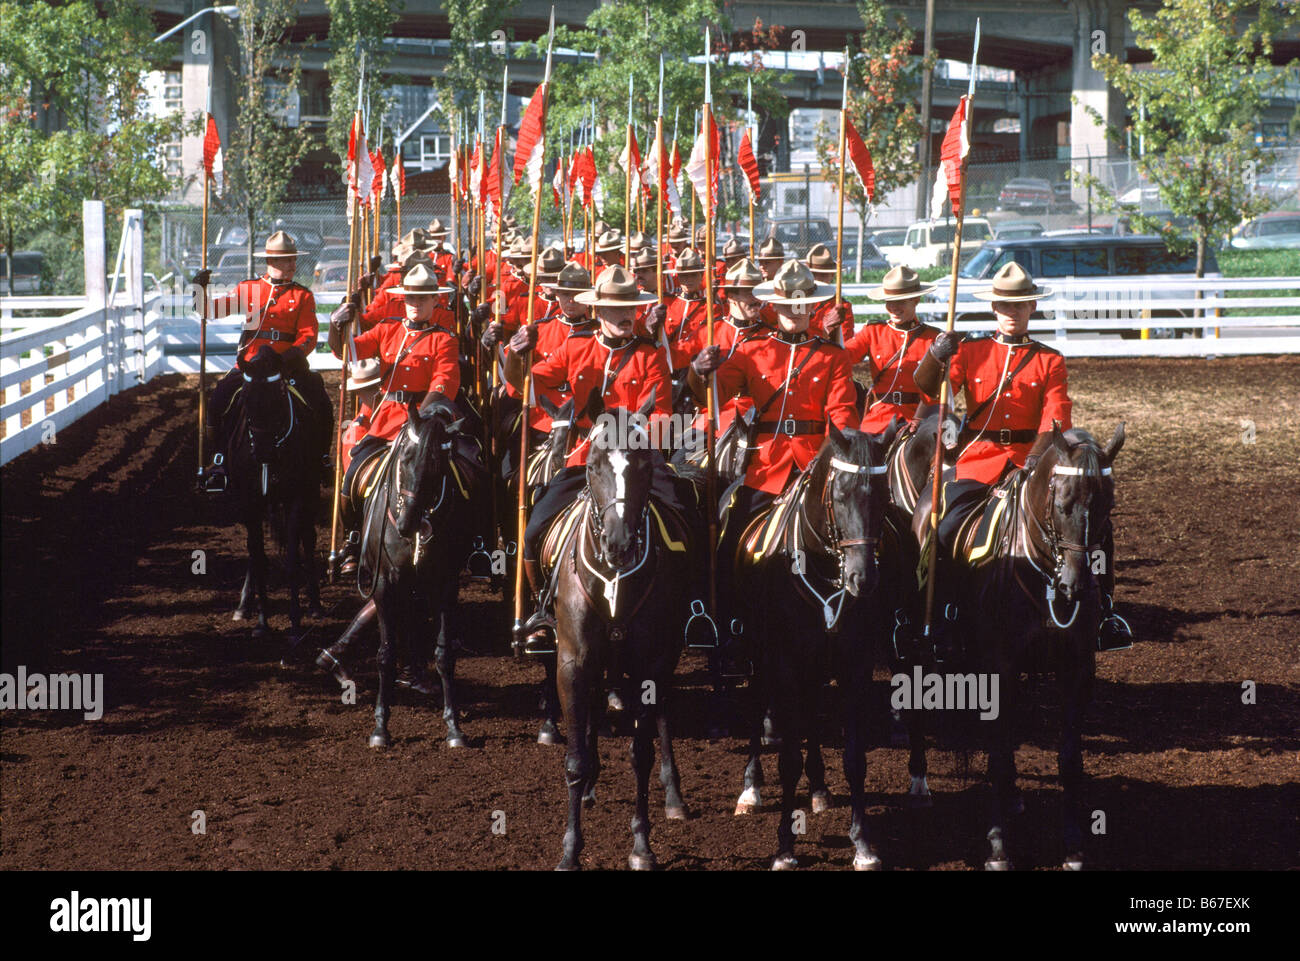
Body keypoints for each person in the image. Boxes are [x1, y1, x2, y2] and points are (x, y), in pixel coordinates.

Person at [913, 261, 1131, 652]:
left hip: (1033, 462)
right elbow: (930, 392)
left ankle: (1105, 612)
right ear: (994, 309)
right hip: (979, 460)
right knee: (943, 528)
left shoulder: (1050, 360)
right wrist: (935, 355)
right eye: (1005, 306)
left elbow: (1056, 417)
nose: (1012, 313)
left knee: (1096, 528)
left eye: (1021, 305)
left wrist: (1034, 460)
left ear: (1032, 309)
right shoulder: (972, 351)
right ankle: (945, 610)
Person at [689, 260, 858, 671]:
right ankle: (728, 623)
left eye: (803, 306)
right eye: (788, 305)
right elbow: (710, 394)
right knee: (728, 531)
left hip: (818, 464)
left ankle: (883, 624)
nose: (796, 313)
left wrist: (836, 462)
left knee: (869, 534)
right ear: (774, 306)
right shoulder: (751, 350)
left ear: (813, 308)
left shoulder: (833, 356)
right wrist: (699, 371)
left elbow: (844, 416)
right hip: (767, 464)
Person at [504, 265, 678, 654]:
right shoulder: (576, 347)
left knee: (685, 517)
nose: (625, 315)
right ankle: (543, 610)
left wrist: (636, 439)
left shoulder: (650, 355)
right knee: (534, 529)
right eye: (615, 307)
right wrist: (517, 354)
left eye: (630, 307)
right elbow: (529, 383)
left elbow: (664, 414)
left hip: (634, 458)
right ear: (598, 311)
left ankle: (693, 607)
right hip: (586, 457)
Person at [328, 263, 461, 574]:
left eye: (423, 299)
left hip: (426, 424)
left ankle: (472, 541)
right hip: (387, 420)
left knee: (464, 472)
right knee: (355, 468)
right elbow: (348, 353)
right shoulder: (387, 330)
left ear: (434, 302)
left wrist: (421, 421)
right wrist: (338, 326)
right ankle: (353, 538)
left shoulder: (444, 339)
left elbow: (444, 384)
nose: (416, 305)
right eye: (411, 299)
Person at [197, 230, 333, 492]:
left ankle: (322, 458)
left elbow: (308, 336)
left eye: (294, 259)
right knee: (218, 400)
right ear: (271, 261)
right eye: (287, 260)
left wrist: (285, 359)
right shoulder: (250, 289)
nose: (293, 265)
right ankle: (219, 459)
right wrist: (199, 290)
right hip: (251, 365)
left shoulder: (302, 296)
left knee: (321, 401)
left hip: (287, 366)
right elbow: (211, 311)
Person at [842, 266, 941, 433]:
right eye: (889, 301)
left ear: (916, 300)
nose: (894, 307)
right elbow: (844, 358)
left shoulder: (933, 338)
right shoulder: (873, 332)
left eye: (901, 301)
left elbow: (941, 386)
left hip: (919, 418)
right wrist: (831, 333)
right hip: (879, 418)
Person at [804, 243, 854, 340]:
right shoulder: (797, 301)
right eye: (814, 274)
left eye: (823, 275)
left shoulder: (841, 306)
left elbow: (845, 340)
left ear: (832, 275)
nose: (818, 279)